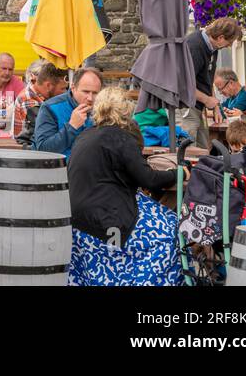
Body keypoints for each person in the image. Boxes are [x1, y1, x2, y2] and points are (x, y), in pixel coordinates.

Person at [66, 88, 183, 286]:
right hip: (107, 221)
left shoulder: (85, 135)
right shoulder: (121, 138)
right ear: (125, 111)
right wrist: (179, 173)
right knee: (174, 230)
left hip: (77, 221)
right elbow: (150, 179)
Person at [180, 17, 243, 149]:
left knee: (203, 149)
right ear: (220, 37)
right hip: (184, 106)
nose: (230, 46)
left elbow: (208, 79)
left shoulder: (213, 49)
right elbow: (183, 85)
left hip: (198, 105)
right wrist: (207, 99)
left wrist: (214, 106)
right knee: (188, 151)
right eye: (229, 42)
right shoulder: (194, 46)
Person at [34, 67, 103, 158]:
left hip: (92, 169)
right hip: (61, 169)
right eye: (86, 92)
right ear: (73, 88)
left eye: (95, 93)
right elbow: (43, 149)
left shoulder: (103, 108)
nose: (90, 98)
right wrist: (72, 127)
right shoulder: (50, 107)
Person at [14, 60, 68, 146]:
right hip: (29, 153)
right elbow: (46, 134)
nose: (65, 93)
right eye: (62, 89)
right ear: (48, 86)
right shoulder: (30, 101)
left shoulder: (39, 94)